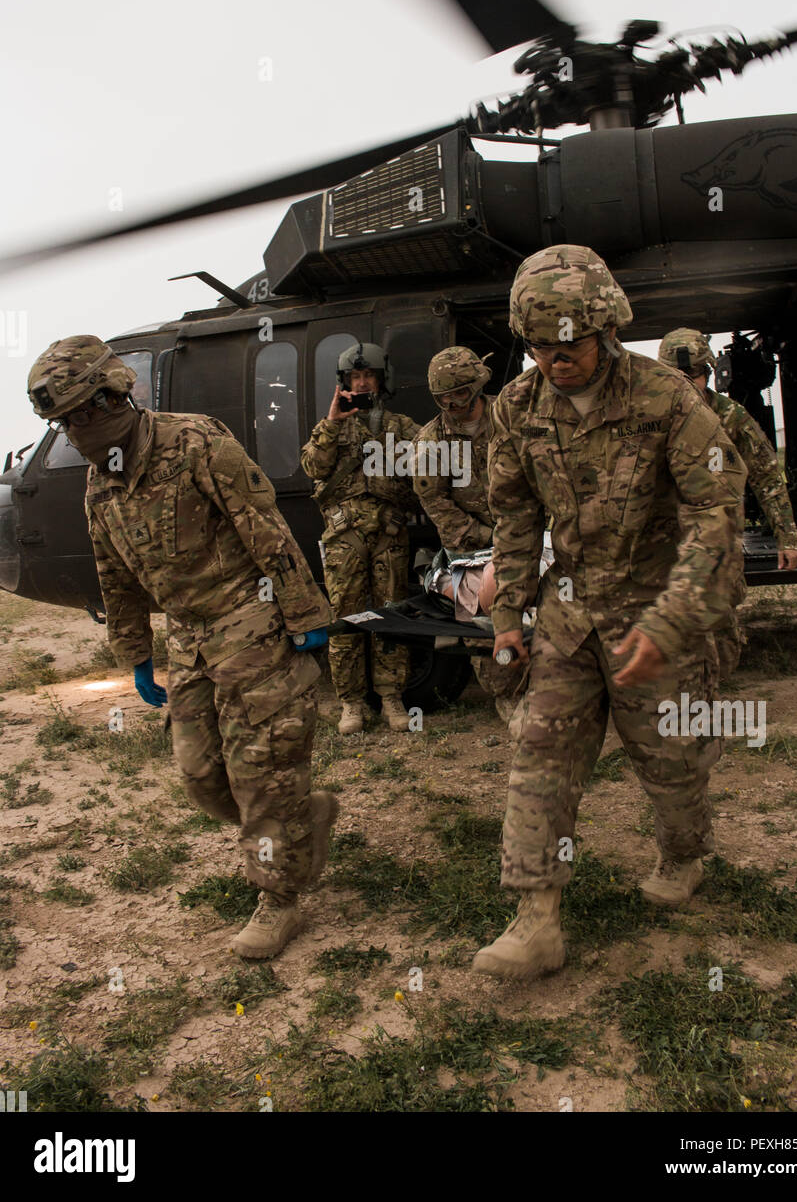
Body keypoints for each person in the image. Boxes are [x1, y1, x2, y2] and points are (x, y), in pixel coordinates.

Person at [472, 245, 747, 980]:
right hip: (570, 615)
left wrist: (674, 621)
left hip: (658, 611)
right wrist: (508, 618)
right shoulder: (517, 408)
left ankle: (684, 851)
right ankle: (535, 920)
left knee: (672, 765)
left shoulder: (668, 400)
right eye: (539, 347)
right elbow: (514, 516)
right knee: (540, 756)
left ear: (606, 328)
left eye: (570, 343)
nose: (556, 360)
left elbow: (716, 513)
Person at [27, 335, 336, 962]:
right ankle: (302, 815)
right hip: (190, 637)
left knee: (260, 771)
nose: (77, 432)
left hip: (248, 617)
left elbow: (263, 524)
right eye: (64, 423)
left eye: (85, 414)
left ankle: (279, 898)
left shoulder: (195, 441)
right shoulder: (99, 484)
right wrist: (136, 654)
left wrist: (303, 611)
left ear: (116, 395)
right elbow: (113, 574)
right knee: (201, 778)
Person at [658, 328, 797, 681]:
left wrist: (787, 536)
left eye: (693, 375)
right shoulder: (651, 421)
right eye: (676, 378)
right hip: (667, 536)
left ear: (708, 372)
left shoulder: (731, 416)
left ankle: (715, 685)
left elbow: (767, 475)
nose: (687, 385)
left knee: (719, 613)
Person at [301, 343, 421, 735]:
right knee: (347, 620)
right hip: (344, 537)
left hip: (389, 533)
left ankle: (391, 698)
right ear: (345, 383)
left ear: (381, 379)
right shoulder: (332, 426)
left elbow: (431, 461)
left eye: (369, 375)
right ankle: (350, 703)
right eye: (356, 377)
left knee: (391, 616)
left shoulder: (401, 427)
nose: (363, 381)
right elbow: (312, 466)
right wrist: (333, 422)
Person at [412, 346, 519, 718]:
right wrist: (485, 537)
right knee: (483, 619)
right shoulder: (431, 441)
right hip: (472, 546)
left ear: (476, 385)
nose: (453, 403)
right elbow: (435, 502)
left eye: (459, 392)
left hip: (526, 534)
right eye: (444, 397)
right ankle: (506, 694)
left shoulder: (512, 418)